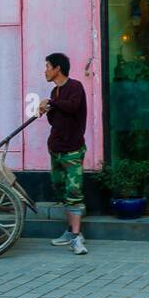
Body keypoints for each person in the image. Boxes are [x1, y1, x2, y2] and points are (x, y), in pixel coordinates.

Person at [40, 52, 89, 255]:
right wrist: (47, 109)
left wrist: (51, 104)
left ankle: (77, 238)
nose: (45, 71)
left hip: (73, 151)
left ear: (57, 68)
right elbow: (57, 120)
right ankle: (70, 231)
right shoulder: (54, 93)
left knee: (74, 193)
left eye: (47, 66)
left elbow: (72, 107)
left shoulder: (75, 87)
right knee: (61, 190)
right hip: (56, 150)